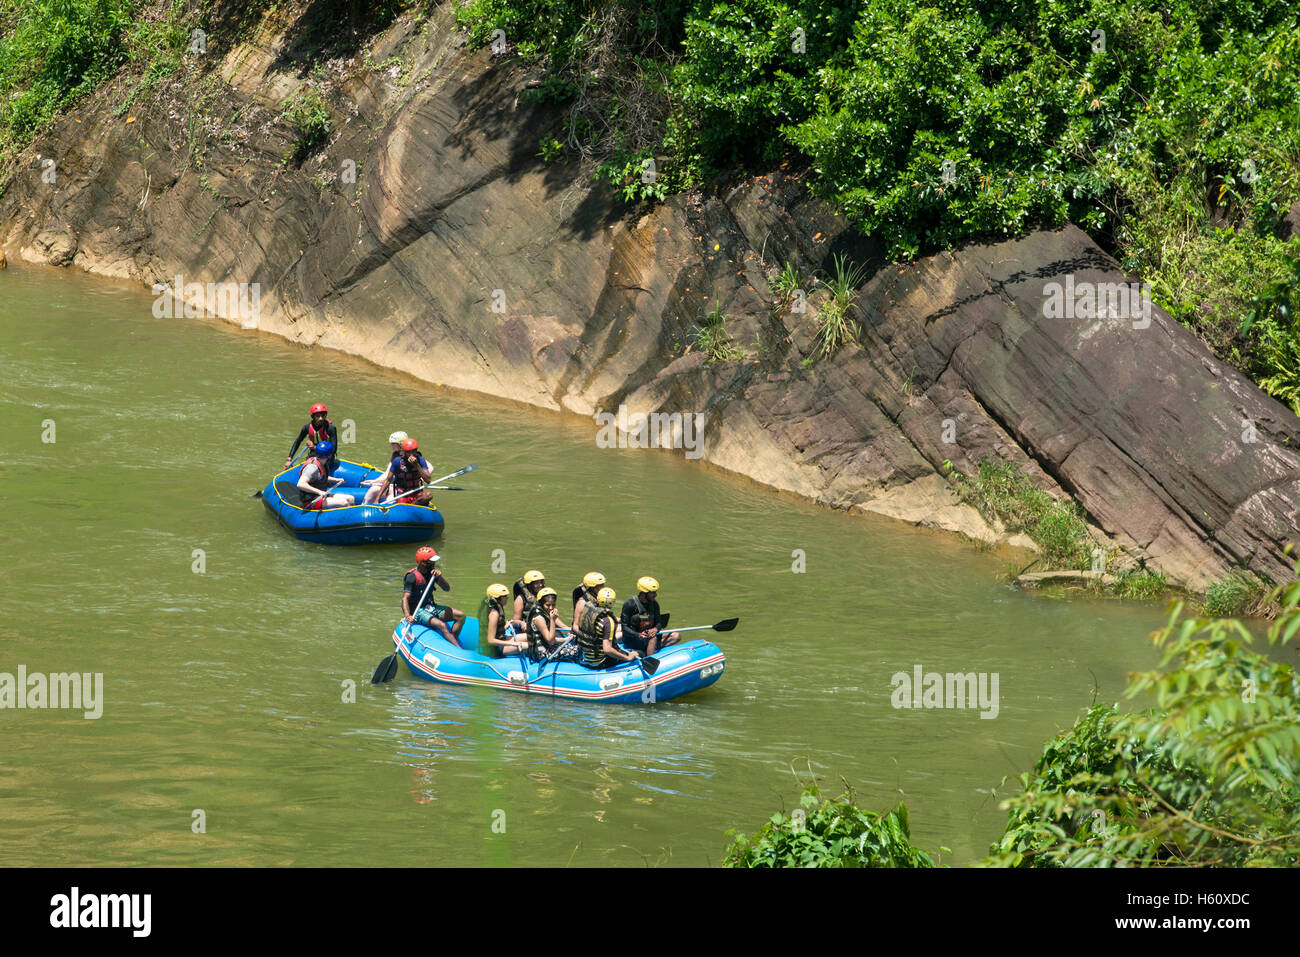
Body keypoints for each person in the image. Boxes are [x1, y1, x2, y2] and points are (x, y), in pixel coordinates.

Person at [402, 546, 465, 645]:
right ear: (423, 563)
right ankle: (458, 649)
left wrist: (439, 577)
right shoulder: (411, 577)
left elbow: (447, 589)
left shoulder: (433, 574)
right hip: (417, 610)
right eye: (432, 562)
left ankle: (452, 641)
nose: (434, 564)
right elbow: (405, 597)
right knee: (442, 625)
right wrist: (407, 615)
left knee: (461, 616)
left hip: (430, 606)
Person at [577, 587, 640, 670]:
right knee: (640, 653)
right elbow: (607, 650)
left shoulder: (588, 609)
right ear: (613, 602)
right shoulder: (608, 621)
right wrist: (628, 657)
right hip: (597, 662)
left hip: (582, 657)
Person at [620, 576, 681, 656]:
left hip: (649, 635)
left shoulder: (654, 604)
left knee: (676, 636)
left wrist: (655, 629)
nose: (655, 595)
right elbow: (624, 628)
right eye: (653, 592)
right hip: (634, 639)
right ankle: (650, 659)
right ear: (644, 593)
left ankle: (648, 650)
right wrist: (638, 634)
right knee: (653, 638)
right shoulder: (629, 604)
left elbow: (659, 623)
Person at [295, 440, 355, 509]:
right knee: (344, 503)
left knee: (351, 499)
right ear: (329, 455)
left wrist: (336, 480)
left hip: (319, 496)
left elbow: (321, 477)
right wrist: (319, 492)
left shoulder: (323, 463)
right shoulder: (312, 468)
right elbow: (300, 484)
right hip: (311, 500)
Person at [372, 438, 433, 505]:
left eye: (414, 451)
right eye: (409, 452)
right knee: (401, 502)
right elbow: (388, 480)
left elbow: (428, 480)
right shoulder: (397, 461)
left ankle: (413, 505)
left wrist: (417, 465)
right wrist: (377, 499)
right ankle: (411, 506)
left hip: (417, 492)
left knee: (429, 495)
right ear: (404, 452)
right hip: (403, 493)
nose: (411, 454)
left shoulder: (421, 460)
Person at [525, 588, 575, 663]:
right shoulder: (539, 618)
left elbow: (555, 621)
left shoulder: (544, 610)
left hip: (547, 646)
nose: (551, 608)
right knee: (577, 651)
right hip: (542, 653)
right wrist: (565, 639)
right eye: (548, 605)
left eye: (553, 605)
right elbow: (550, 641)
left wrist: (568, 630)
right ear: (541, 603)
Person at [479, 583, 529, 658]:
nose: (507, 598)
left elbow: (496, 630)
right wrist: (513, 644)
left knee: (529, 636)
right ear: (498, 598)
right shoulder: (494, 614)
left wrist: (506, 625)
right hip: (495, 648)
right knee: (530, 646)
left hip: (502, 639)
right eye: (504, 596)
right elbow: (490, 640)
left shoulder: (498, 606)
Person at [285, 403, 338, 470]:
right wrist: (289, 459)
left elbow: (334, 449)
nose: (321, 418)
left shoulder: (330, 428)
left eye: (323, 416)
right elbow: (297, 442)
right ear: (313, 417)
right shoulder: (306, 428)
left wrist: (314, 447)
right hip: (313, 454)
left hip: (327, 456)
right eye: (318, 416)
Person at [362, 431, 410, 504]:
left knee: (390, 501)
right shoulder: (395, 455)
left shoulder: (412, 455)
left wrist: (421, 478)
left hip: (407, 489)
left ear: (400, 444)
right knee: (372, 490)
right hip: (397, 487)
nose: (391, 446)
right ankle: (364, 510)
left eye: (394, 444)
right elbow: (387, 473)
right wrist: (374, 481)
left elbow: (430, 467)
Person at [572, 571, 621, 643]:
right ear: (592, 588)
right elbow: (575, 626)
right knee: (621, 633)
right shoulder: (582, 603)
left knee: (621, 627)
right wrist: (589, 638)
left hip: (597, 629)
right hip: (590, 637)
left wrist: (621, 619)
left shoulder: (598, 598)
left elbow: (603, 617)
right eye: (600, 586)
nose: (603, 588)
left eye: (603, 585)